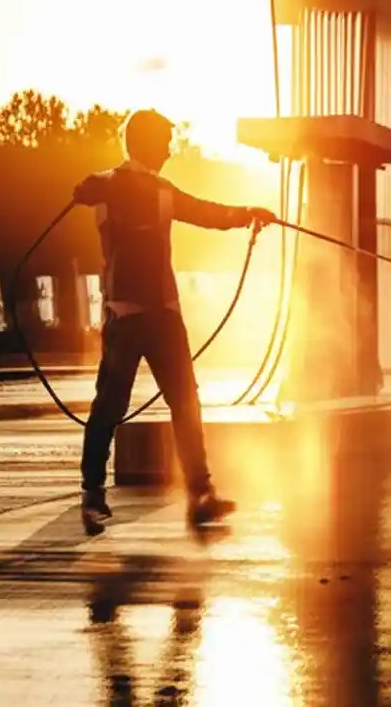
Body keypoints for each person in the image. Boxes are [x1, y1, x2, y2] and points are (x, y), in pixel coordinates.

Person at [71, 109, 276, 536]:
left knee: (183, 402)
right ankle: (93, 494)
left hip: (164, 314)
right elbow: (90, 187)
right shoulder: (109, 186)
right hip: (127, 316)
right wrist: (93, 186)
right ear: (144, 142)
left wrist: (247, 214)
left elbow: (207, 212)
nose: (168, 148)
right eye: (163, 140)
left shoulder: (156, 190)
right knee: (112, 405)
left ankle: (200, 494)